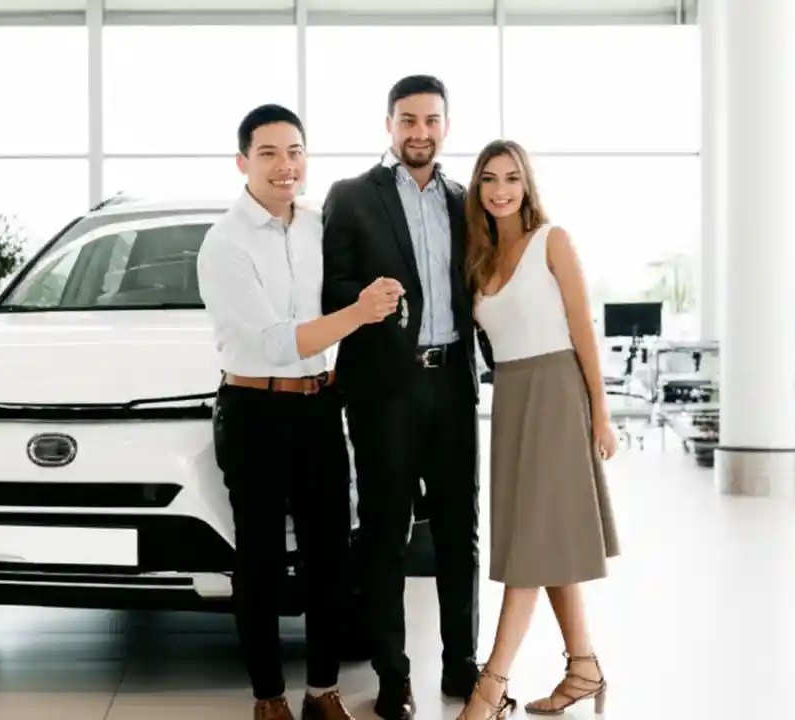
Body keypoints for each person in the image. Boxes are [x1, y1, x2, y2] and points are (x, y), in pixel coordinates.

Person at [196, 103, 404, 720]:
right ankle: (268, 698)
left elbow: (340, 303)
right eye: (269, 154)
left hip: (318, 410)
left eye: (295, 152)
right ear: (242, 162)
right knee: (258, 563)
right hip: (254, 411)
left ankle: (321, 690)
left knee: (329, 560)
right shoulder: (224, 243)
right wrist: (360, 313)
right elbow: (273, 340)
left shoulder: (316, 227)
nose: (285, 167)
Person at [321, 75, 486, 720]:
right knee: (386, 535)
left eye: (432, 120)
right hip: (385, 389)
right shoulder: (352, 198)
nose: (420, 132)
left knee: (459, 534)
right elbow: (332, 292)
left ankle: (460, 666)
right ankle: (394, 676)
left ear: (445, 125)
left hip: (452, 384)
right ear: (388, 124)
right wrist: (366, 306)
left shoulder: (464, 200)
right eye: (408, 120)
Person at [456, 139, 620, 720]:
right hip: (511, 401)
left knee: (528, 547)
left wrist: (599, 412)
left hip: (555, 391)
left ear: (527, 186)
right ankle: (583, 667)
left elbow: (582, 328)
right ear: (477, 189)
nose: (501, 189)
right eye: (490, 179)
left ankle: (490, 687)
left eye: (512, 178)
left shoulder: (553, 241)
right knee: (541, 541)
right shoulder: (477, 260)